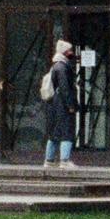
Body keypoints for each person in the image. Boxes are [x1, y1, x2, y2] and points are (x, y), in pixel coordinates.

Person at [40, 36, 79, 168]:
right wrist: (71, 105)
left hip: (54, 104)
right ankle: (65, 160)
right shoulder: (62, 67)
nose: (71, 53)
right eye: (69, 51)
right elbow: (65, 88)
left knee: (54, 132)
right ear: (64, 52)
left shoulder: (56, 66)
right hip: (62, 104)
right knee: (67, 131)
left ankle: (49, 160)